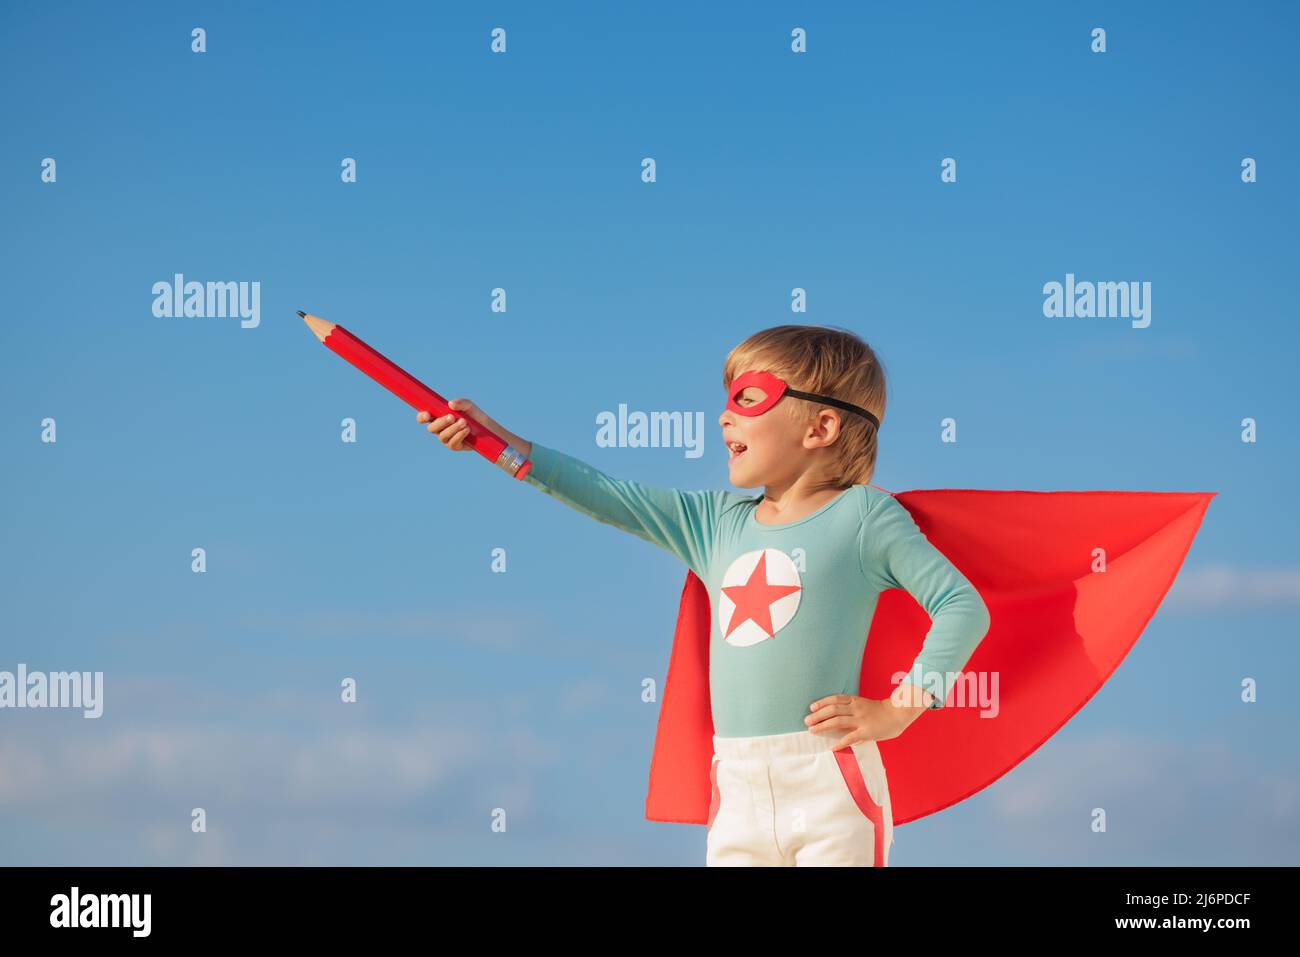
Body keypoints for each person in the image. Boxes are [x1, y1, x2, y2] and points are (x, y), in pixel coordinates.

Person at [417, 324, 991, 866]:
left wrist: (899, 711)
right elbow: (605, 493)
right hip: (735, 786)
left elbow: (961, 607)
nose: (722, 417)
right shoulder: (713, 522)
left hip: (828, 777)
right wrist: (495, 443)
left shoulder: (864, 517)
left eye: (747, 399)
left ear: (819, 428)